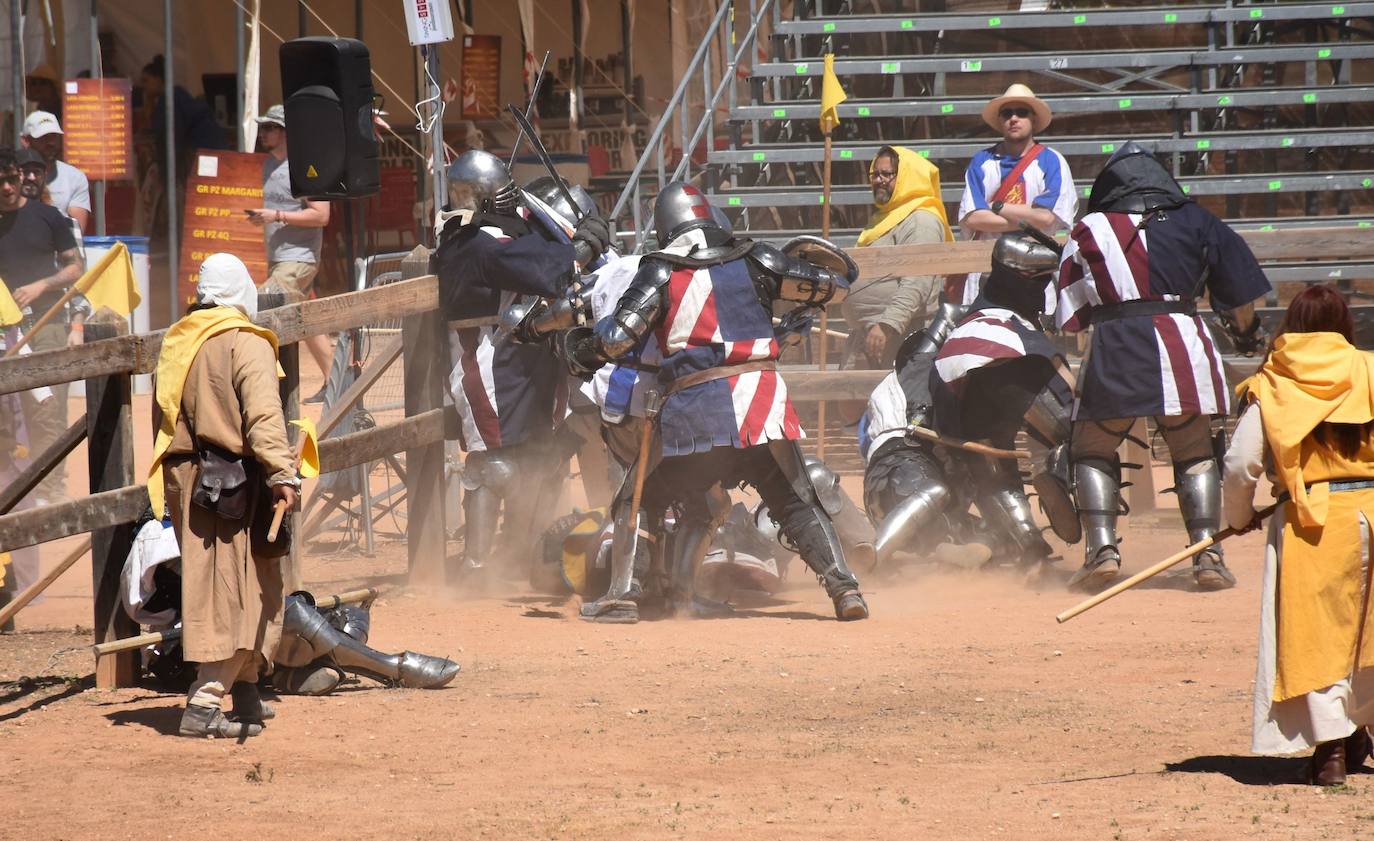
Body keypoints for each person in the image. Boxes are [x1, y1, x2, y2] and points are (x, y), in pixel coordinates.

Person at [566, 182, 869, 621]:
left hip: (695, 410)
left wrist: (580, 349)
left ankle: (624, 596)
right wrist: (804, 295)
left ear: (667, 227)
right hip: (760, 405)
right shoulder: (758, 259)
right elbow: (837, 286)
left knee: (639, 498)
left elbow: (615, 340)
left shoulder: (660, 270)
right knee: (795, 499)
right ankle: (846, 590)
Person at [1055, 143, 1271, 590]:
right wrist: (1247, 335)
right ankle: (1206, 552)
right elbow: (1242, 300)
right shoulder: (1198, 219)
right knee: (1193, 450)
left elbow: (1068, 317)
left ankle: (1102, 550)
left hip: (1115, 346)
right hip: (1181, 343)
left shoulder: (1088, 229)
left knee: (1092, 449)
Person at [436, 149, 610, 582]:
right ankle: (476, 568)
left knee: (541, 456)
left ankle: (522, 554)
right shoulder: (475, 242)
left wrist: (566, 233)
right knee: (493, 463)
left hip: (523, 359)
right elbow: (545, 270)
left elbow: (534, 250)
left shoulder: (486, 234)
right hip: (489, 361)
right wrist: (584, 245)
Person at [1223, 285, 1374, 786]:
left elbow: (1242, 462)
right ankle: (1358, 733)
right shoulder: (1369, 369)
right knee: (1369, 631)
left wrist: (1240, 514)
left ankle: (1332, 749)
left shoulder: (1273, 381)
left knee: (1318, 634)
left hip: (1315, 522)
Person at [146, 253, 299, 739]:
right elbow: (263, 416)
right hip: (232, 482)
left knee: (237, 582)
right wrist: (283, 472)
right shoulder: (243, 342)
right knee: (234, 591)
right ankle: (205, 701)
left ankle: (247, 690)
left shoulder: (180, 340)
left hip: (190, 478)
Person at [917, 84, 1075, 357]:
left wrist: (998, 207)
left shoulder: (1052, 161)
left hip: (1037, 278)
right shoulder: (981, 162)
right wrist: (1026, 217)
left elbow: (1049, 217)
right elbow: (973, 217)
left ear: (1033, 119)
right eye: (1007, 113)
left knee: (1035, 354)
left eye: (1021, 112)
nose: (1013, 118)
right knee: (981, 352)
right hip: (985, 276)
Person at [0, 147, 84, 506]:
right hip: (3, 332)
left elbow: (76, 268)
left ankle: (51, 490)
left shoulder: (48, 216)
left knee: (47, 411)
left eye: (11, 179)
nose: (6, 187)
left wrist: (41, 286)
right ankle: (12, 491)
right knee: (6, 414)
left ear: (21, 177)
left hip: (45, 323)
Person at [247, 104, 334, 401]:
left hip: (299, 257)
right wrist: (265, 217)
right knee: (306, 320)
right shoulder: (268, 166)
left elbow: (322, 215)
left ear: (286, 132)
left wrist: (276, 216)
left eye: (269, 128)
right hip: (280, 256)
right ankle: (335, 382)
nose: (263, 133)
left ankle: (272, 392)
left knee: (266, 306)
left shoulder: (304, 166)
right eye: (262, 127)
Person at [842, 146, 952, 370]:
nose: (879, 180)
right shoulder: (885, 218)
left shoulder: (922, 220)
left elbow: (917, 281)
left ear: (907, 177)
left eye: (887, 174)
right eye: (875, 174)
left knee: (895, 403)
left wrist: (887, 325)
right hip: (869, 334)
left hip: (900, 337)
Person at [21, 110, 91, 233]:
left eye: (54, 136)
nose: (51, 142)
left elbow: (76, 232)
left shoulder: (75, 177)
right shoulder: (12, 176)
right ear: (26, 141)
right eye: (43, 137)